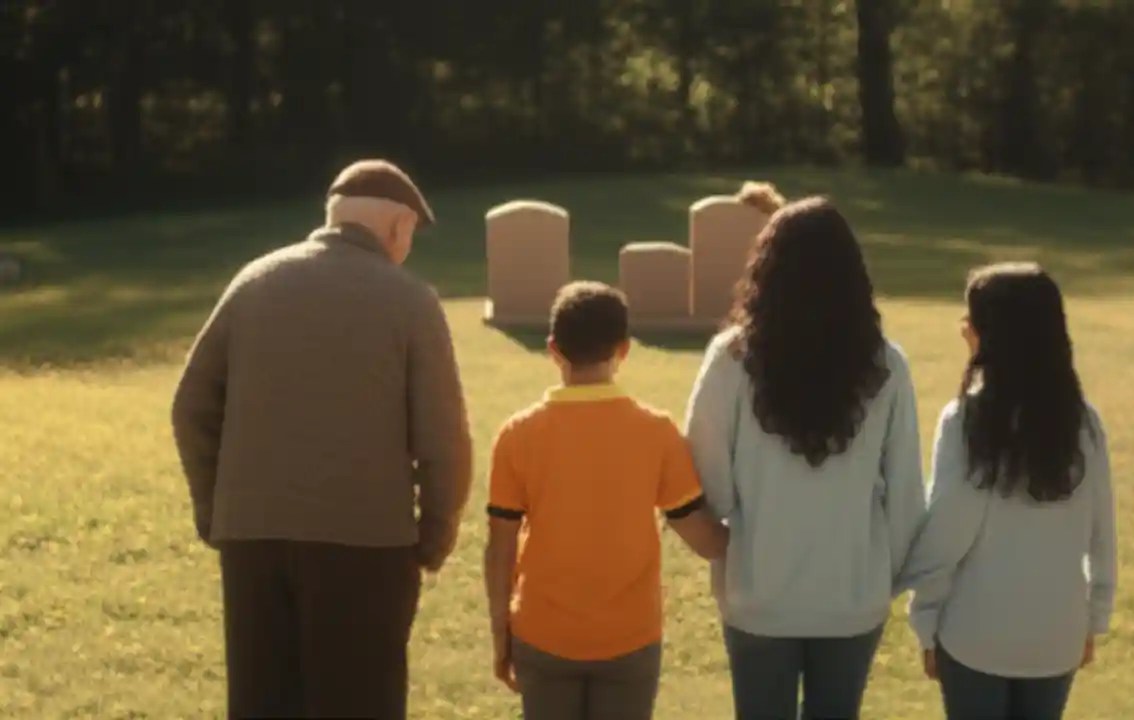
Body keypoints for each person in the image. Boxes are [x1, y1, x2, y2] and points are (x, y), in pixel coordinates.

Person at [171, 159, 472, 719]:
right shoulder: (410, 300)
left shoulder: (253, 281)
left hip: (252, 541)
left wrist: (217, 510)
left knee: (263, 701)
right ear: (399, 226)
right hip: (368, 545)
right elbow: (444, 443)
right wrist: (432, 539)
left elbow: (191, 406)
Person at [684, 195, 925, 720]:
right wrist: (891, 580)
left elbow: (710, 489)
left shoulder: (731, 359)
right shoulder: (887, 365)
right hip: (852, 597)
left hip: (758, 593)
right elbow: (907, 490)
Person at [484, 281, 728, 720]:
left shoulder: (517, 434)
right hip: (629, 639)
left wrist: (501, 635)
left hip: (542, 634)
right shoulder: (657, 432)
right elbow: (703, 538)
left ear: (553, 349)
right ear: (624, 349)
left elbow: (499, 547)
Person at [900, 262, 1118, 720]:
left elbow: (947, 535)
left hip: (976, 634)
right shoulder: (1084, 425)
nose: (963, 327)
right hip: (1056, 635)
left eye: (970, 318)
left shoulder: (966, 422)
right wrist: (1093, 619)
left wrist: (925, 620)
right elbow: (1103, 536)